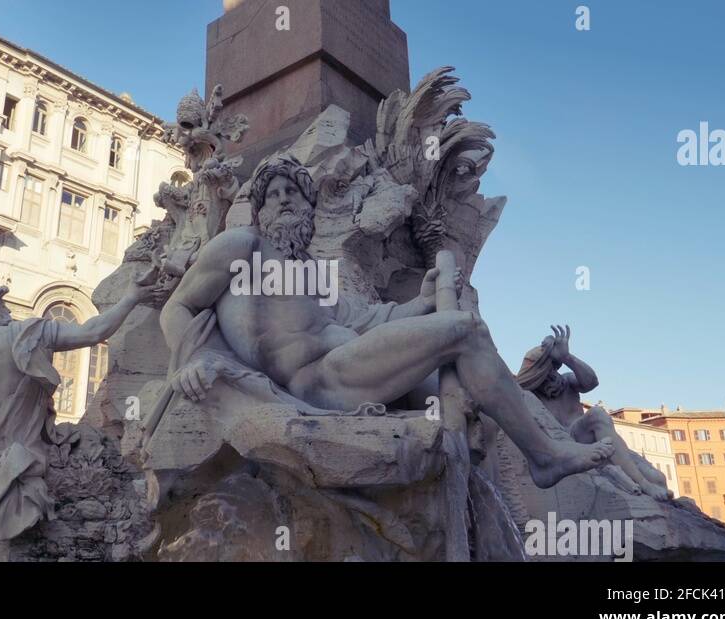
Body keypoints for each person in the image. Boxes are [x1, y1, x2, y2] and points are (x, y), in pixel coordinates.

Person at [160, 155, 614, 489]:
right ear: (258, 209)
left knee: (475, 405)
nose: (283, 201)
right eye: (273, 195)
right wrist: (190, 361)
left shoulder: (310, 272)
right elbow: (177, 306)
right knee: (467, 333)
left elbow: (363, 319)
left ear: (308, 205)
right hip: (321, 380)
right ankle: (546, 456)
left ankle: (526, 460)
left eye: (292, 192)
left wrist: (420, 303)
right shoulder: (240, 246)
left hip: (351, 362)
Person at [0, 281, 153, 538]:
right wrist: (131, 297)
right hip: (16, 465)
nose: (8, 312)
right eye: (4, 307)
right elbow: (92, 332)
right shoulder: (27, 334)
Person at [518, 325, 672, 500]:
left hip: (599, 439)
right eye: (546, 371)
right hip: (570, 444)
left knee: (659, 478)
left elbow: (591, 382)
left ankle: (648, 485)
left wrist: (567, 357)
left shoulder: (567, 381)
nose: (552, 375)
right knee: (597, 414)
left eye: (554, 368)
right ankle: (644, 485)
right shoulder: (530, 396)